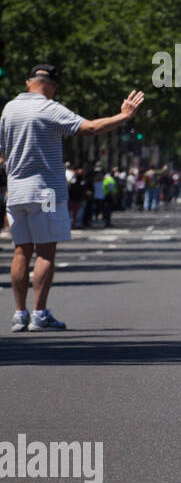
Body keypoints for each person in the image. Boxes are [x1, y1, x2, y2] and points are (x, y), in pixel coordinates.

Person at [0, 64, 143, 330]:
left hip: (16, 190)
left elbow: (1, 152)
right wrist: (123, 116)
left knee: (21, 251)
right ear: (52, 86)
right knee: (45, 251)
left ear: (28, 82)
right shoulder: (49, 108)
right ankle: (39, 314)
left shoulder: (9, 109)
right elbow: (89, 128)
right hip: (45, 191)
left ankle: (19, 313)